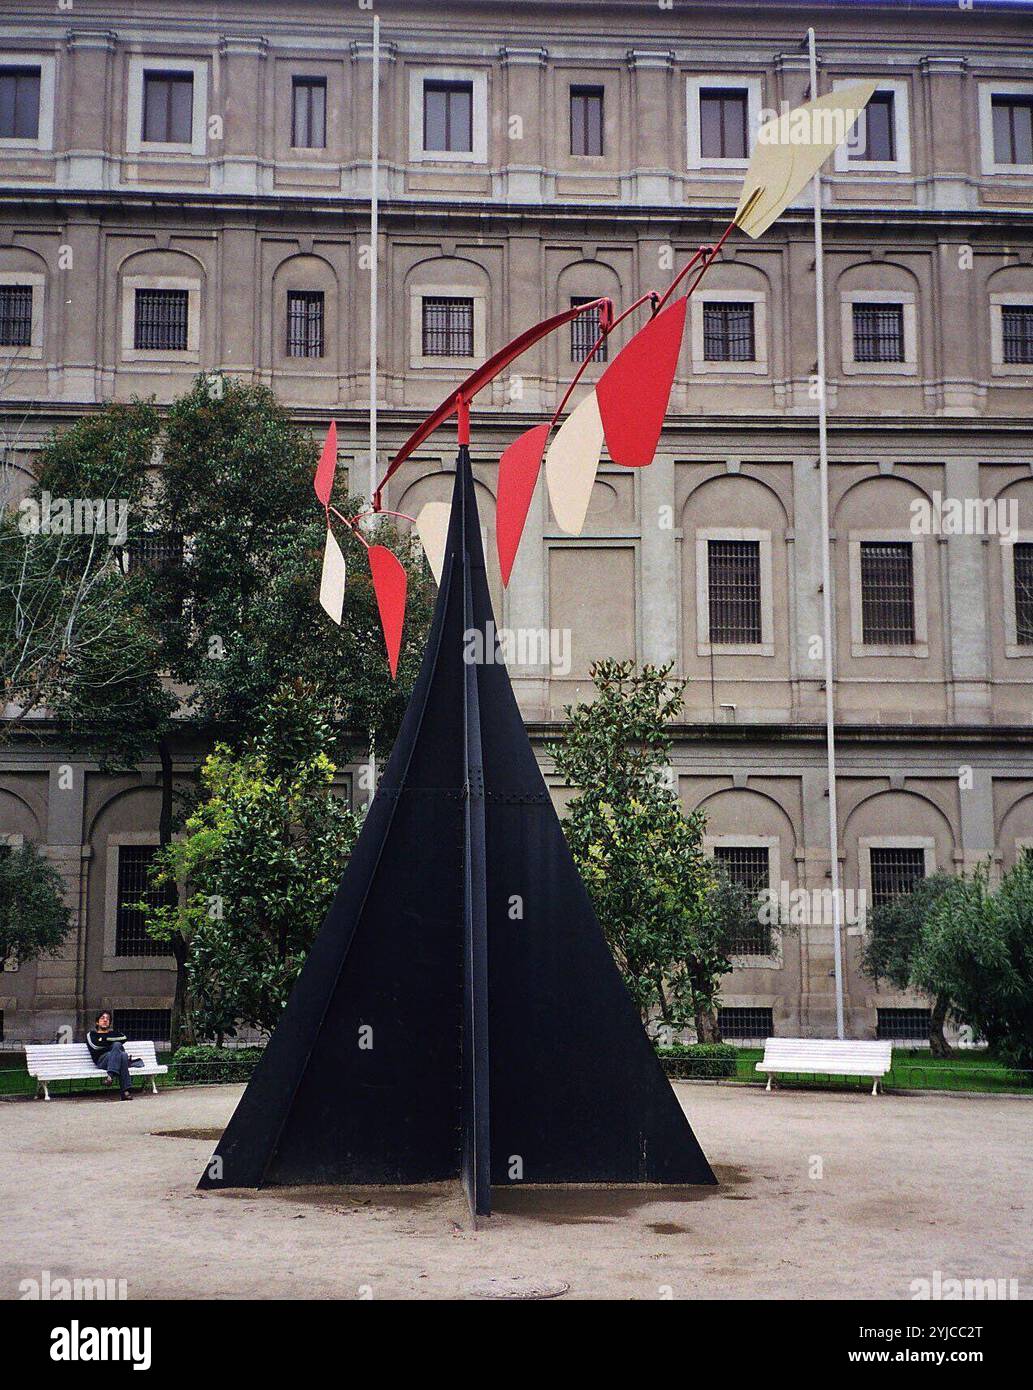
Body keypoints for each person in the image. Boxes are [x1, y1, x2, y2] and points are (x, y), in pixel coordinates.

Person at [86, 1011, 142, 1100]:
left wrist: (104, 1039)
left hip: (115, 1062)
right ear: (97, 1022)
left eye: (107, 1019)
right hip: (102, 1061)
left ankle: (110, 1076)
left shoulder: (113, 1033)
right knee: (119, 1050)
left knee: (121, 1053)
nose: (105, 1020)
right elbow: (96, 1046)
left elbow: (124, 1038)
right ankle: (125, 1091)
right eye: (102, 1018)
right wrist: (110, 1041)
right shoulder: (92, 1034)